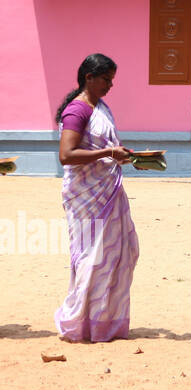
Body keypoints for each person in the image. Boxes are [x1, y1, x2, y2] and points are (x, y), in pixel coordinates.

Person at [54, 54, 138, 342]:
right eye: (106, 79)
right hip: (86, 197)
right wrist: (107, 153)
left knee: (119, 253)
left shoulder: (100, 107)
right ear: (89, 77)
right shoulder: (77, 110)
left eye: (112, 80)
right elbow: (67, 155)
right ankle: (79, 322)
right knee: (92, 258)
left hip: (108, 191)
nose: (110, 85)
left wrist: (118, 154)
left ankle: (104, 323)